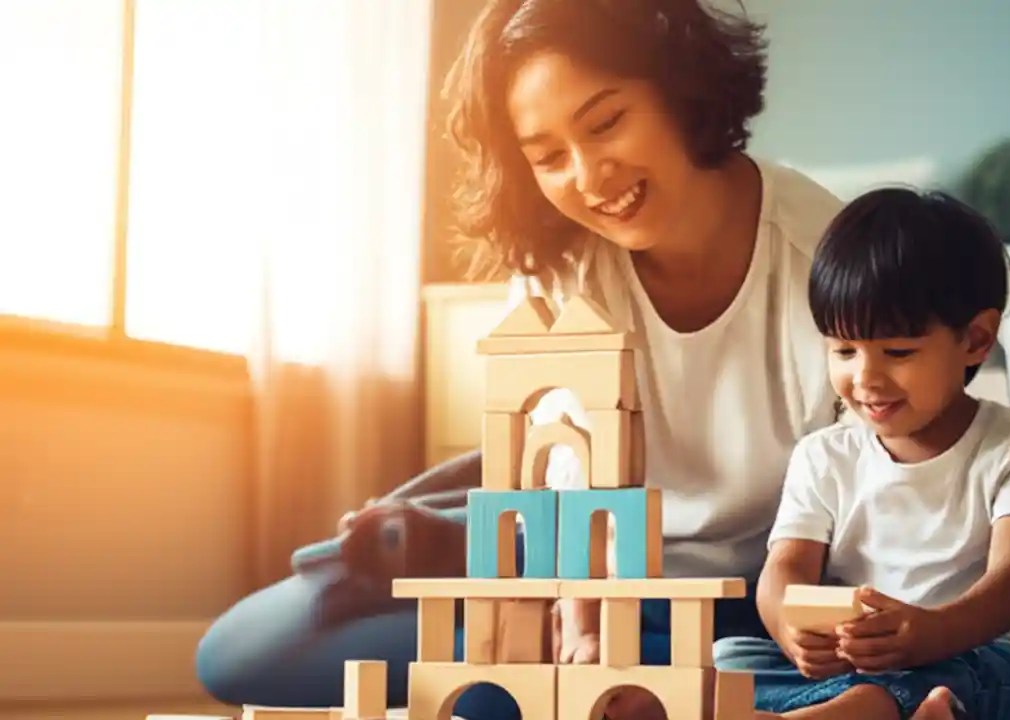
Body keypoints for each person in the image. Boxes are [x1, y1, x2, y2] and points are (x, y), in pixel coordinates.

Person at [196, 0, 847, 717]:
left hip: (735, 604)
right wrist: (564, 593)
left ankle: (462, 552)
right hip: (568, 561)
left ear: (677, 86)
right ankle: (459, 540)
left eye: (606, 122)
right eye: (548, 157)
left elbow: (878, 503)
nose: (590, 178)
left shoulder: (830, 260)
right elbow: (565, 477)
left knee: (497, 703)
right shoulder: (562, 265)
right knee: (239, 652)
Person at [713, 188, 1010, 720]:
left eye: (898, 352)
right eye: (843, 350)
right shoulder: (823, 456)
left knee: (956, 676)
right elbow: (784, 568)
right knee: (729, 657)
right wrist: (791, 629)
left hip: (993, 660)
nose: (865, 377)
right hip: (861, 666)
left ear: (976, 339)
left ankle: (858, 709)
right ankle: (866, 708)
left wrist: (933, 633)